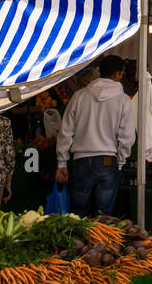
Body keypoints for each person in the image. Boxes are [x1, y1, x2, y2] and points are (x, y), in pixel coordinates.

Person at [55, 55, 136, 217]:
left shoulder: (79, 96)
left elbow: (65, 132)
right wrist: (120, 161)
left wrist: (62, 162)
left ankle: (78, 241)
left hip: (81, 162)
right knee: (103, 219)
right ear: (117, 74)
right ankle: (100, 243)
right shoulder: (123, 100)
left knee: (77, 216)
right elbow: (127, 137)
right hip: (108, 161)